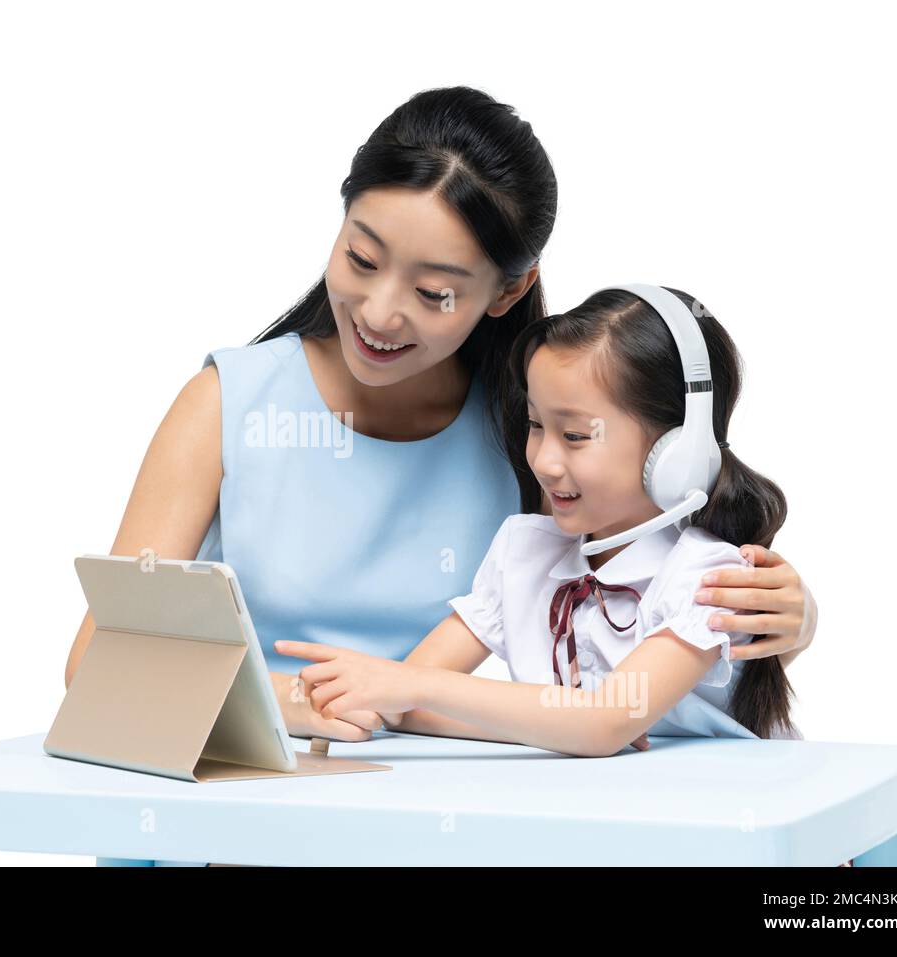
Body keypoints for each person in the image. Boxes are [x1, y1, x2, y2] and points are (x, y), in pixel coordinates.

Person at [67, 88, 818, 866]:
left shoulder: (533, 432)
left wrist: (782, 625)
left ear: (509, 291)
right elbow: (99, 658)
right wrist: (305, 705)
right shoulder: (228, 403)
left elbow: (632, 637)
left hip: (453, 811)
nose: (380, 312)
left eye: (434, 293)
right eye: (361, 257)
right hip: (263, 797)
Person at [276, 285, 802, 754]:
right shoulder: (523, 550)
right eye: (534, 425)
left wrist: (577, 724)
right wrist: (548, 724)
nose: (544, 461)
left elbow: (601, 725)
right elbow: (404, 705)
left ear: (677, 451)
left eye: (575, 436)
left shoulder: (705, 575)